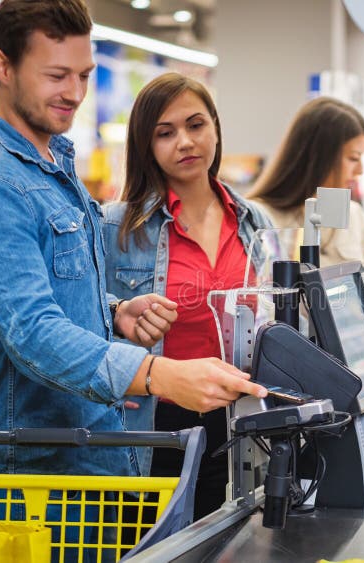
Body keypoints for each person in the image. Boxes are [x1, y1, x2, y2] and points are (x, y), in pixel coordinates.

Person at [0, 0, 267, 482]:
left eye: (84, 75)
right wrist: (160, 373)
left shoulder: (53, 171)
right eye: (56, 76)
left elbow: (49, 293)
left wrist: (111, 311)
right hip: (24, 474)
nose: (74, 93)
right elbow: (31, 332)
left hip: (82, 456)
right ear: (2, 66)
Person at [102, 72, 272, 519]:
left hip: (235, 426)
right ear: (145, 145)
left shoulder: (255, 222)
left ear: (215, 127)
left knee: (220, 546)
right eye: (165, 132)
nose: (184, 141)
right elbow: (82, 320)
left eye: (195, 125)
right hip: (150, 427)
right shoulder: (115, 227)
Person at [247, 97, 364, 266]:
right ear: (321, 156)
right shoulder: (259, 217)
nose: (360, 171)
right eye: (353, 158)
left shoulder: (354, 215)